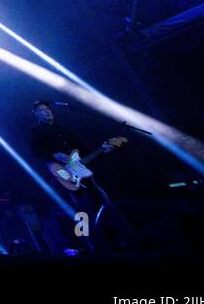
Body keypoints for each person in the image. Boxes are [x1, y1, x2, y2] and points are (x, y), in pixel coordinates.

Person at [28, 100, 131, 250]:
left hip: (83, 173)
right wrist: (54, 154)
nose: (46, 111)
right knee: (82, 210)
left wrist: (103, 149)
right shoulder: (36, 131)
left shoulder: (65, 130)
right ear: (35, 114)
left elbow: (84, 152)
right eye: (41, 110)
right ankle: (92, 245)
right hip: (62, 174)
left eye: (47, 108)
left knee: (103, 202)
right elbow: (36, 151)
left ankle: (116, 239)